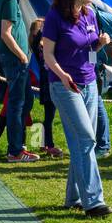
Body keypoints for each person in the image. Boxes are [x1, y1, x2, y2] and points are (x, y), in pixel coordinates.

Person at [41, 0, 112, 217]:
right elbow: (47, 55)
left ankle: (73, 197)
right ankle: (93, 201)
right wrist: (62, 75)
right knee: (85, 140)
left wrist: (99, 45)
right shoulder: (54, 17)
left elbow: (88, 47)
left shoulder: (90, 14)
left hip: (89, 83)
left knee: (80, 142)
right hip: (65, 86)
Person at [0, 0, 39, 162]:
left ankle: (18, 142)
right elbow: (6, 33)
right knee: (16, 104)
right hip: (15, 59)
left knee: (25, 100)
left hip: (8, 57)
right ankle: (15, 150)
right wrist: (22, 55)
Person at [26, 20, 63, 158]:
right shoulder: (37, 46)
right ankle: (49, 145)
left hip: (49, 83)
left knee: (49, 116)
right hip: (48, 84)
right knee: (49, 116)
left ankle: (42, 143)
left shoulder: (46, 46)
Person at [92, 6, 112, 158]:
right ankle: (101, 144)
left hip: (93, 65)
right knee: (96, 103)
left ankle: (102, 145)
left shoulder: (89, 13)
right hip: (93, 63)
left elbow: (92, 46)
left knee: (97, 103)